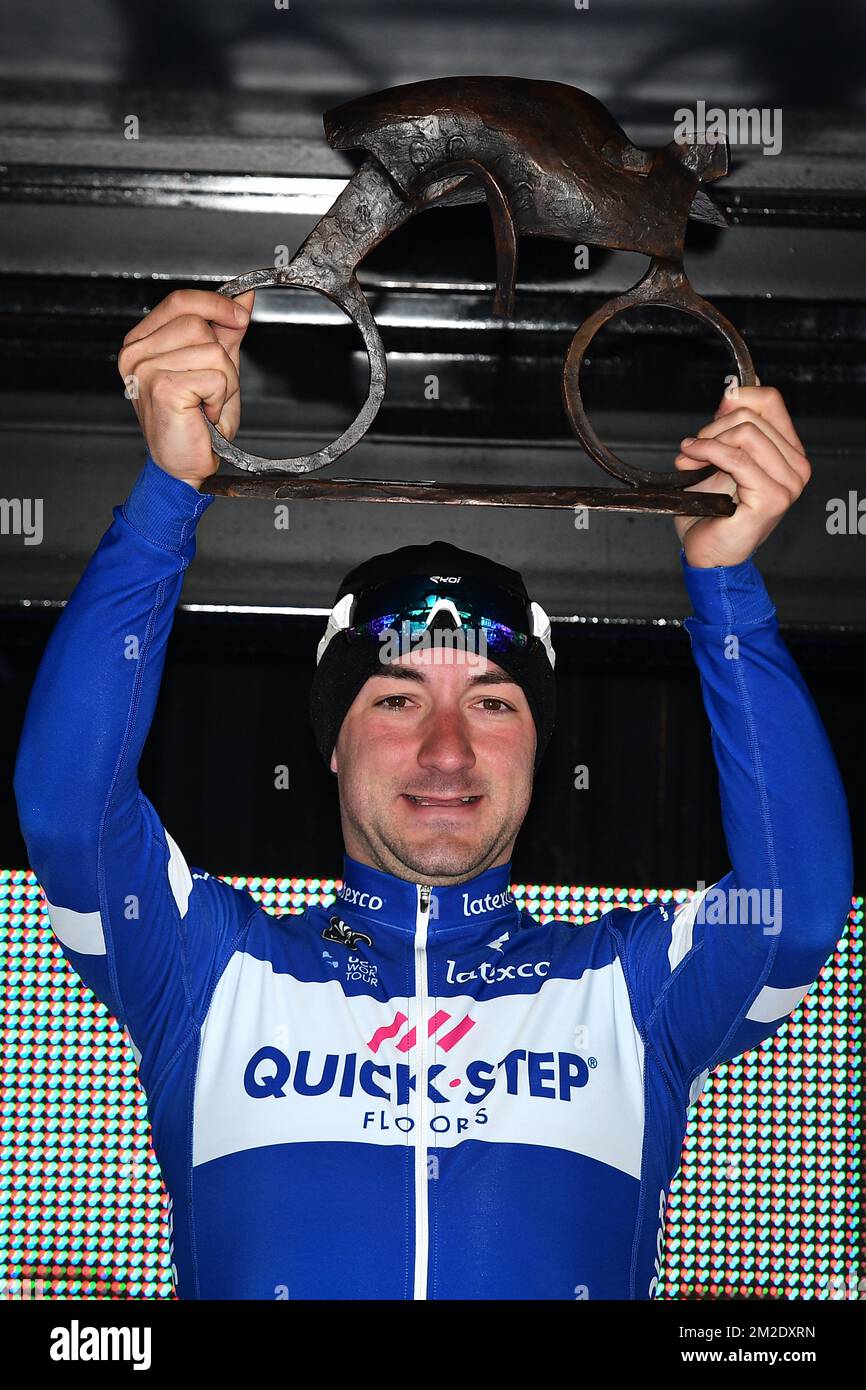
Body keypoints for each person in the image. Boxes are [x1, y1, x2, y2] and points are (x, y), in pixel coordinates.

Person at [14, 290, 852, 1301]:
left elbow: (796, 911)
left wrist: (726, 582)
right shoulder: (210, 973)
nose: (446, 751)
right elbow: (69, 811)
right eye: (398, 697)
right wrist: (163, 495)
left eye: (494, 705)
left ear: (539, 753)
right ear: (330, 745)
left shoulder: (626, 997)